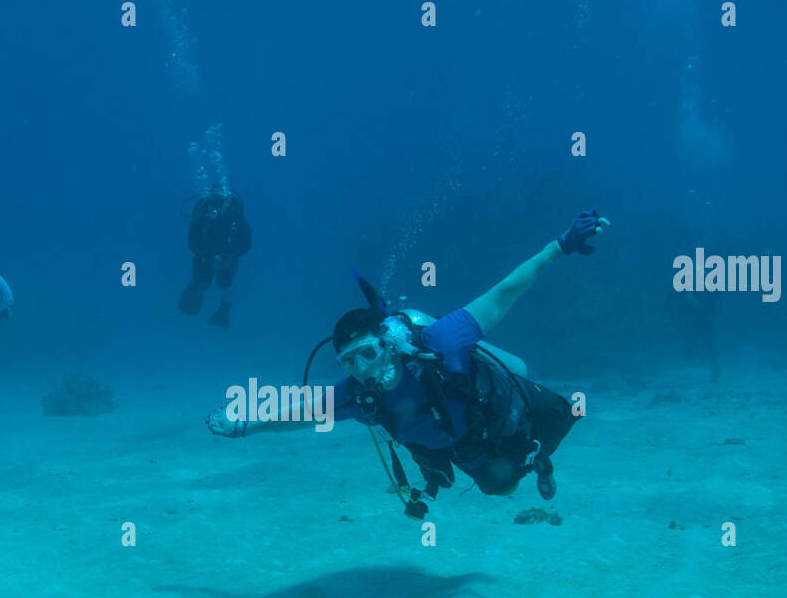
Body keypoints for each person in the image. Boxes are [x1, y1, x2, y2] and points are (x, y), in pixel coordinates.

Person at [206, 211, 609, 516]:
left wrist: (560, 246)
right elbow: (300, 414)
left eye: (367, 353)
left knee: (505, 474)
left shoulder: (440, 341)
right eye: (348, 362)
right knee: (493, 487)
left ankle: (539, 454)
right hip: (446, 440)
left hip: (491, 417)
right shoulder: (358, 395)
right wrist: (244, 428)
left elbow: (504, 293)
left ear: (387, 344)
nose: (362, 369)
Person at [179, 184, 252, 328]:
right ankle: (193, 307)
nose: (217, 204)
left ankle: (223, 312)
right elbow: (192, 239)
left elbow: (247, 241)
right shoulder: (202, 209)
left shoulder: (234, 211)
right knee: (201, 283)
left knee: (224, 283)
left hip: (228, 256)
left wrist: (229, 255)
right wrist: (205, 254)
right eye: (214, 198)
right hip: (204, 256)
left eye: (221, 199)